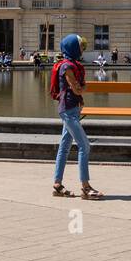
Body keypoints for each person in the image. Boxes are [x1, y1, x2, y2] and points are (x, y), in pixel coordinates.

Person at [49, 33, 101, 200]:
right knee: (84, 146)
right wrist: (82, 88)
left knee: (64, 147)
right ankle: (85, 187)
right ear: (72, 47)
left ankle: (57, 185)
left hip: (72, 110)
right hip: (68, 110)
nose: (82, 49)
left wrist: (81, 88)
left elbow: (79, 88)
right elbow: (77, 88)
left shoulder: (72, 65)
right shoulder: (67, 67)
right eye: (80, 46)